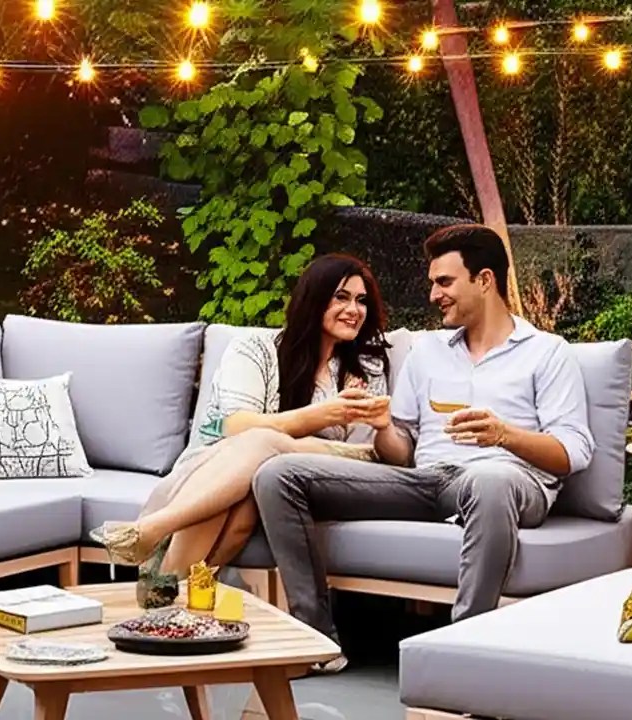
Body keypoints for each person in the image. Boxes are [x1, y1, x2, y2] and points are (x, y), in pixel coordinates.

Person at [252, 223, 595, 662]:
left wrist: (504, 435)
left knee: (489, 480)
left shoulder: (547, 352)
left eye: (444, 282)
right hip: (428, 481)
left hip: (508, 483)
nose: (433, 294)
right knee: (277, 475)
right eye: (432, 283)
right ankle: (317, 640)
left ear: (485, 280)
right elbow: (403, 452)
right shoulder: (427, 350)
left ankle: (461, 652)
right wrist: (382, 427)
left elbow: (573, 454)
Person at [89, 253, 393, 585]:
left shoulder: (367, 368)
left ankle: (153, 531)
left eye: (361, 301)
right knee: (245, 498)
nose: (354, 310)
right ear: (313, 298)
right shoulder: (256, 349)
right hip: (226, 469)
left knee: (263, 444)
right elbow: (234, 427)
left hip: (310, 482)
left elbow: (365, 456)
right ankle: (167, 598)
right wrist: (318, 418)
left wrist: (288, 442)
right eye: (342, 297)